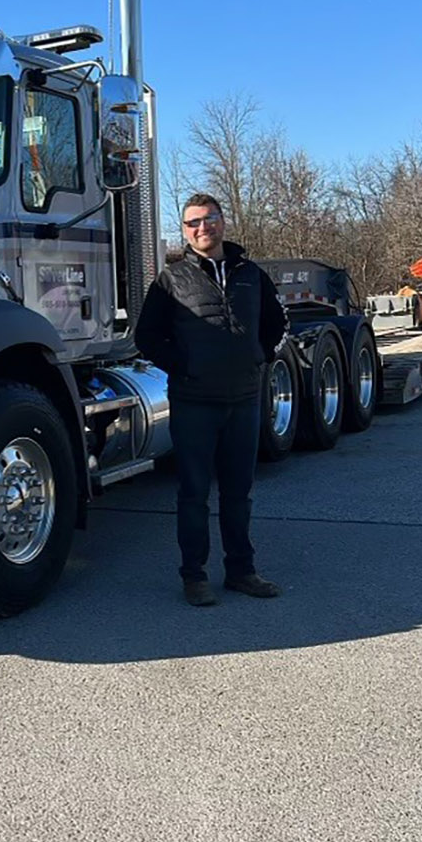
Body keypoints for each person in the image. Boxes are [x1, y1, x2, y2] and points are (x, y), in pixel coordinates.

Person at [135, 193, 287, 606]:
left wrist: (258, 358)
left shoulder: (251, 274)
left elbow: (277, 323)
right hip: (195, 402)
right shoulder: (171, 280)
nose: (203, 228)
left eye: (209, 219)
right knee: (193, 494)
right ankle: (194, 577)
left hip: (244, 401)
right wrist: (183, 366)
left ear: (223, 222)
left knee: (239, 493)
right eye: (193, 223)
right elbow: (146, 337)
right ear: (184, 231)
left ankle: (242, 571)